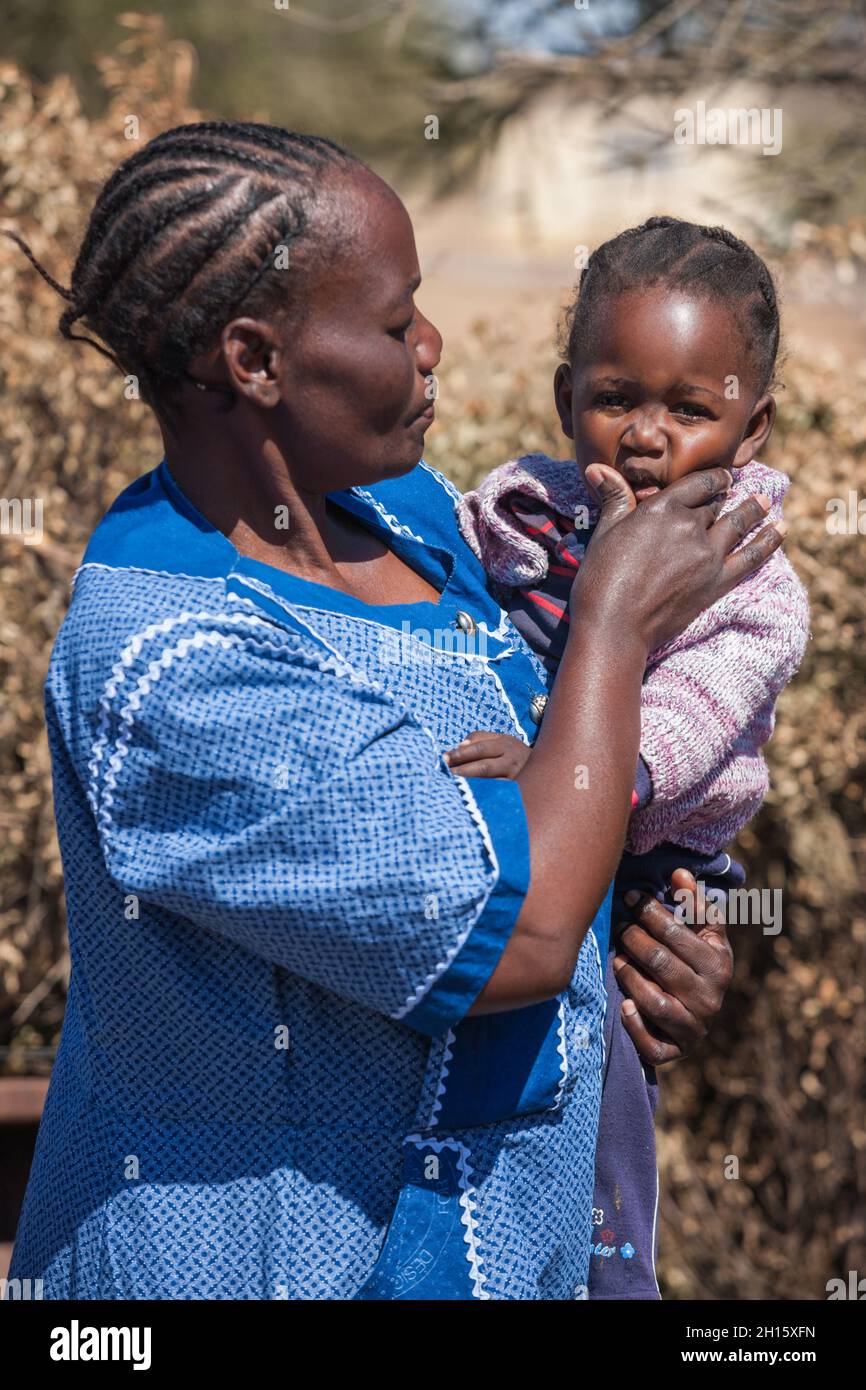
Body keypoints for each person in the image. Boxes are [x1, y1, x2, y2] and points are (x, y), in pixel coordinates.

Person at [3, 126, 784, 1300]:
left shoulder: (413, 519)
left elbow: (570, 813)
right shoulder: (174, 667)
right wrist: (612, 630)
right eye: (390, 321)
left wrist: (648, 947)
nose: (432, 348)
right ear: (255, 360)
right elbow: (515, 932)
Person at [454, 217, 810, 1297]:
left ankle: (613, 1278)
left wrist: (563, 769)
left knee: (604, 1067)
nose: (644, 436)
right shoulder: (525, 510)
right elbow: (463, 590)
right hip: (546, 838)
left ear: (750, 429)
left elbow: (693, 717)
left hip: (655, 862)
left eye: (688, 410)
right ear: (566, 399)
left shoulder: (748, 579)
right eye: (615, 399)